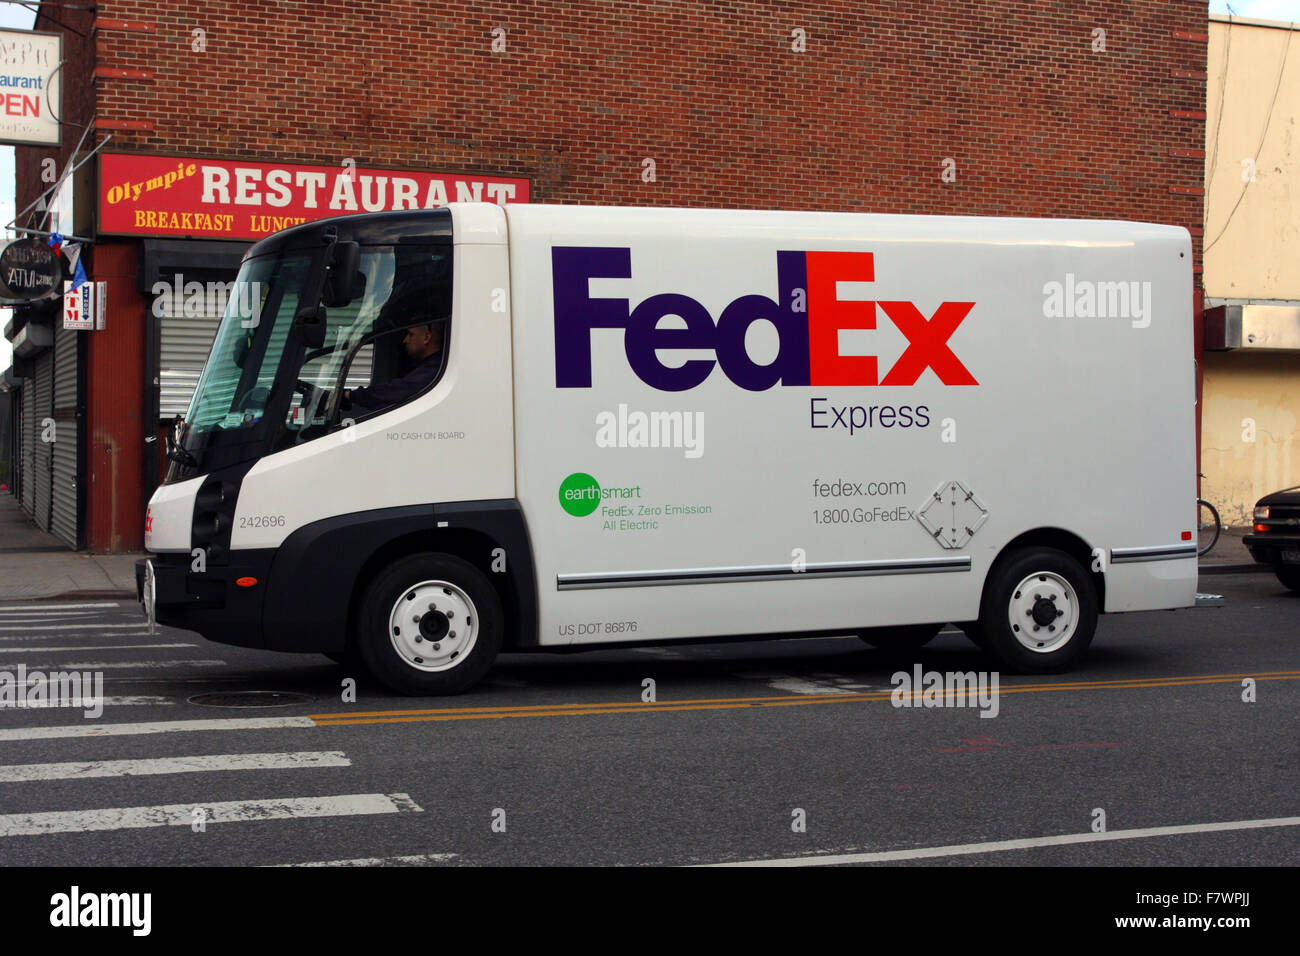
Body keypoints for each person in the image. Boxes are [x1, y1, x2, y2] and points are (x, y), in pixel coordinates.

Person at [342, 323, 443, 412]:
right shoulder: (426, 365)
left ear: (426, 338)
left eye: (411, 335)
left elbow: (397, 390)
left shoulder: (435, 369)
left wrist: (349, 395)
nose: (405, 340)